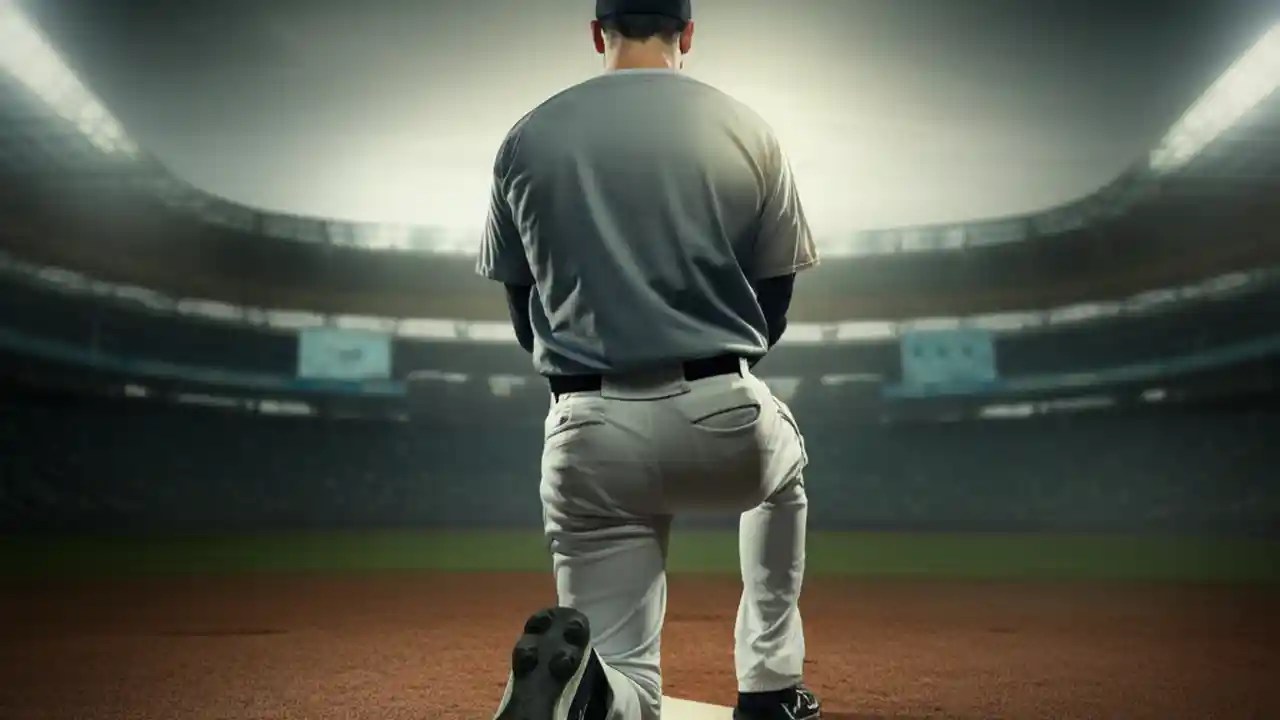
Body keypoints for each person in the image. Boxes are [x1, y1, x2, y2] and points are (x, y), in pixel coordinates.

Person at [477, 1, 821, 718]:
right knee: (783, 473)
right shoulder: (746, 128)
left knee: (624, 663)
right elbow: (776, 299)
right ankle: (769, 686)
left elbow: (521, 308)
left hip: (587, 427)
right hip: (723, 415)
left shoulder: (527, 138)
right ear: (687, 32)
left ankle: (600, 694)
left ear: (598, 32)